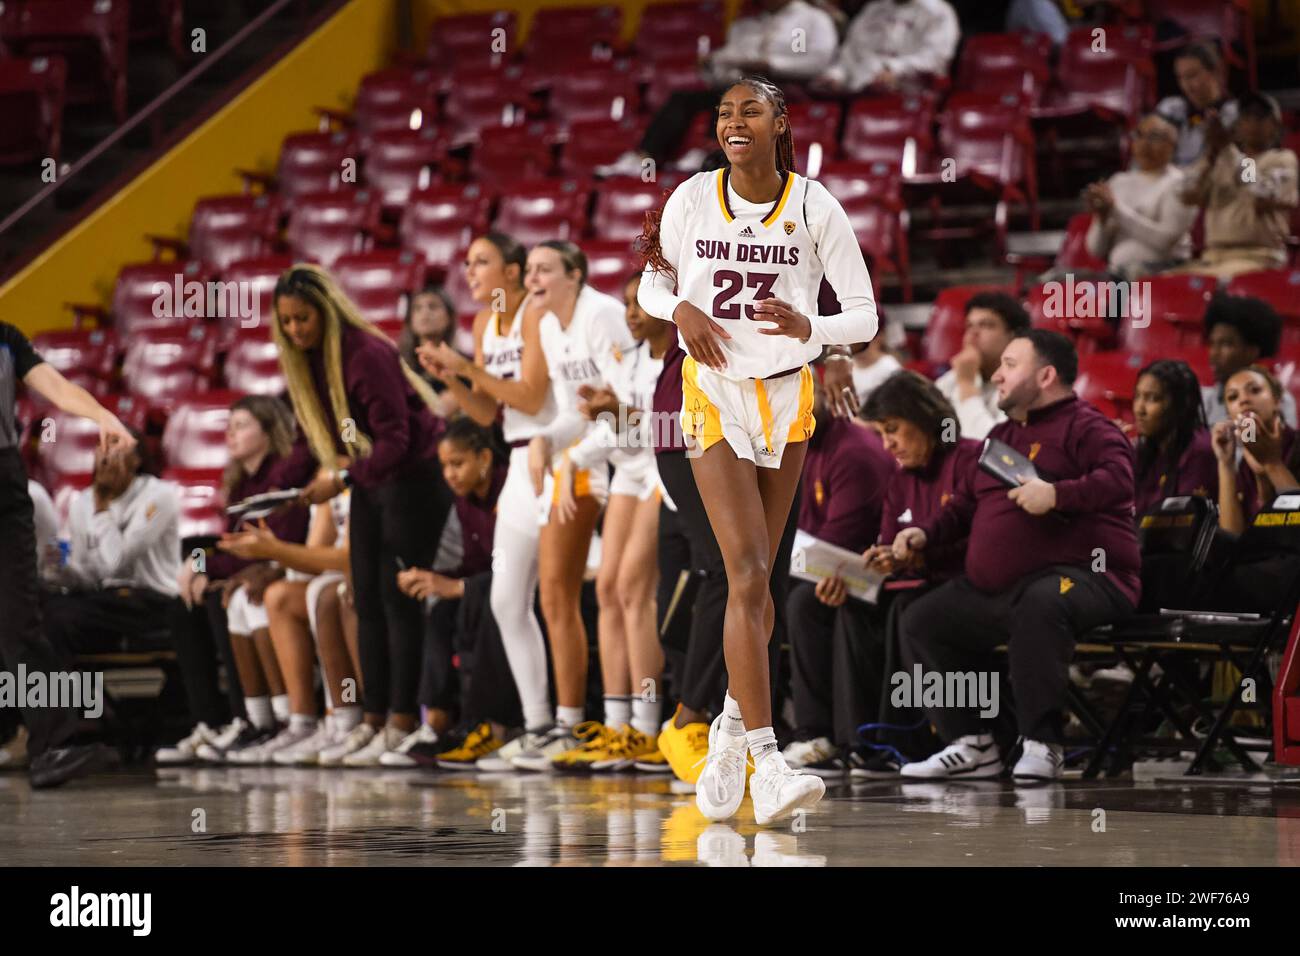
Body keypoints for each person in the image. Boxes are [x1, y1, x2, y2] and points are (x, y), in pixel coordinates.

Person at [638, 74, 878, 825]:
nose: (733, 122)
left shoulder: (813, 206)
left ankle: (730, 730)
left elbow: (865, 318)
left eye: (751, 111)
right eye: (723, 113)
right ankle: (768, 762)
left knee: (763, 585)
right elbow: (650, 284)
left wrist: (812, 327)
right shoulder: (690, 198)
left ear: (780, 124)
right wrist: (681, 307)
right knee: (743, 573)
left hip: (785, 394)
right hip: (712, 395)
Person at [892, 330, 1139, 783]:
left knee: (1041, 603)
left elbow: (1120, 482)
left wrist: (1059, 495)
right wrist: (924, 533)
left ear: (1046, 375)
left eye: (1009, 365)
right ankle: (973, 743)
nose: (997, 375)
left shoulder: (1089, 427)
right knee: (923, 618)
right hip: (1005, 587)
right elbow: (966, 504)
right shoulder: (1001, 435)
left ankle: (1044, 744)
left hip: (1089, 577)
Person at [273, 263, 454, 767]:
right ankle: (373, 719)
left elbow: (395, 440)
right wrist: (275, 493)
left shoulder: (365, 354)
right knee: (365, 600)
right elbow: (313, 443)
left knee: (398, 604)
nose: (295, 330)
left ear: (325, 312)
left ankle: (402, 720)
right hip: (372, 485)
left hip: (413, 483)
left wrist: (344, 478)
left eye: (302, 319)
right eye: (286, 322)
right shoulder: (307, 362)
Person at [416, 233, 559, 771]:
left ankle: (566, 724)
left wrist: (468, 370)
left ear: (515, 271)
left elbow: (531, 397)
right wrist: (453, 374)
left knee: (558, 599)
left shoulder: (535, 314)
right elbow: (485, 414)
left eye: (482, 262)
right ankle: (538, 723)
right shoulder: (482, 325)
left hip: (558, 452)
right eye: (467, 262)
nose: (471, 272)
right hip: (520, 459)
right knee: (505, 600)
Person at [511, 241, 635, 771]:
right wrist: (544, 441)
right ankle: (575, 723)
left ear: (575, 275)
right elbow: (573, 413)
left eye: (544, 270)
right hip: (580, 462)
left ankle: (573, 725)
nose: (532, 279)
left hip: (624, 461)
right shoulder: (544, 325)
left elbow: (628, 406)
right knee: (559, 597)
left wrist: (572, 459)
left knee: (563, 594)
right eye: (530, 270)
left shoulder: (604, 315)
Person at [549, 272, 676, 772]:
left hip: (665, 473)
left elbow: (668, 432)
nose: (631, 313)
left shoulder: (681, 360)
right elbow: (622, 437)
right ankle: (617, 723)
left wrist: (617, 412)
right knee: (605, 590)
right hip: (630, 470)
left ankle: (647, 728)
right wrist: (576, 458)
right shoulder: (629, 360)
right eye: (627, 303)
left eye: (640, 303)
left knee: (632, 589)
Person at [0, 320, 135, 787]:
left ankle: (52, 746)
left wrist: (102, 416)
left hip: (5, 482)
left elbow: (52, 383)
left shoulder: (6, 337)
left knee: (21, 622)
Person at [159, 395, 313, 765]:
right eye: (228, 426)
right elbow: (220, 544)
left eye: (241, 425)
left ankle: (251, 717)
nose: (230, 434)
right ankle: (210, 723)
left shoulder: (282, 475)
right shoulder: (240, 482)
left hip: (283, 569)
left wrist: (206, 569)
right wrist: (197, 564)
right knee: (182, 606)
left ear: (269, 429)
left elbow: (261, 550)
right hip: (244, 567)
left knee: (221, 599)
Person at [781, 376, 896, 770]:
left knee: (799, 603)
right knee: (736, 593)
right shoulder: (798, 445)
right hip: (823, 566)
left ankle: (817, 734)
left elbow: (838, 543)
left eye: (804, 388)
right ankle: (752, 728)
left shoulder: (853, 453)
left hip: (870, 576)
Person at [595, 0, 839, 177]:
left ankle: (709, 152)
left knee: (736, 95)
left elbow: (817, 62)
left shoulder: (813, 18)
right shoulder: (749, 24)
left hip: (792, 88)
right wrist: (713, 64)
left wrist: (771, 65)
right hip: (742, 84)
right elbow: (730, 61)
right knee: (685, 98)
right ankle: (643, 157)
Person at [214, 488, 361, 766]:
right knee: (266, 597)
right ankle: (286, 722)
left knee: (323, 594)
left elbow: (347, 558)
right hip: (330, 576)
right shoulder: (321, 484)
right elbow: (312, 557)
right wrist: (203, 565)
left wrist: (274, 553)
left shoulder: (350, 480)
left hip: (366, 575)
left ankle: (347, 717)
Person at [392, 416, 508, 766]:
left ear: (485, 459)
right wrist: (428, 578)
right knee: (441, 608)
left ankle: (491, 724)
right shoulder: (464, 501)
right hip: (486, 586)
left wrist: (460, 586)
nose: (450, 475)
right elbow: (468, 562)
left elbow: (514, 568)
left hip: (521, 586)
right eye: (445, 466)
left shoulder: (509, 489)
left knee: (486, 603)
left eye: (458, 464)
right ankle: (438, 723)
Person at [42, 431, 180, 659]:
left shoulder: (159, 496)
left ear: (137, 459)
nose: (106, 454)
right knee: (43, 610)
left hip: (152, 600)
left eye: (115, 446)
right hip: (103, 601)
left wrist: (102, 508)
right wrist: (58, 568)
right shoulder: (82, 503)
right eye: (101, 447)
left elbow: (116, 562)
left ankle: (70, 692)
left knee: (61, 618)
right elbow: (87, 577)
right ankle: (74, 691)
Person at [1175, 91, 1298, 280]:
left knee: (1212, 288)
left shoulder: (1282, 159)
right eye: (1246, 116)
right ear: (1238, 125)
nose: (1252, 122)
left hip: (1259, 258)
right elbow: (1184, 194)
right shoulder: (1220, 160)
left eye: (1260, 116)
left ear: (1275, 125)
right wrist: (1210, 156)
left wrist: (1229, 151)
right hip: (1212, 257)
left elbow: (1260, 194)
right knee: (1158, 286)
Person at [1083, 114, 1197, 278]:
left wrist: (1115, 211)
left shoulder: (1180, 183)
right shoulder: (1118, 182)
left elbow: (1166, 241)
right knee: (1057, 282)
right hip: (1118, 274)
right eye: (1139, 135)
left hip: (1165, 274)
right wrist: (1102, 220)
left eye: (1154, 137)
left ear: (1172, 145)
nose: (1144, 144)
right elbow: (1096, 250)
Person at [1212, 365, 1300, 534]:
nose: (1243, 400)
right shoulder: (1243, 463)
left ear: (1277, 401)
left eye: (1254, 390)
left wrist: (1272, 465)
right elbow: (1232, 537)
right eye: (1233, 397)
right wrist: (1226, 465)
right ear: (1230, 415)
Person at [935, 291, 1032, 440]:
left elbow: (993, 450)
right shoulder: (960, 374)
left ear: (1014, 337)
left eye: (986, 325)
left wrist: (967, 385)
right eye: (969, 325)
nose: (973, 333)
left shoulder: (1026, 387)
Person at [815, 0, 960, 94]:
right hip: (858, 92)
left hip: (910, 94)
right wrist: (836, 74)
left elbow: (936, 59)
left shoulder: (939, 12)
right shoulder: (873, 10)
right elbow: (849, 54)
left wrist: (893, 68)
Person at [1132, 359, 1218, 516]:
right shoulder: (1144, 449)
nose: (1139, 409)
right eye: (1137, 396)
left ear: (1181, 404)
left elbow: (1183, 526)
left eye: (1153, 398)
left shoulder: (1200, 452)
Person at [1201, 294, 1297, 427]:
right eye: (1212, 343)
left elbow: (1251, 443)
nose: (1214, 353)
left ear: (1252, 351)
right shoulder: (1203, 399)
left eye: (1226, 344)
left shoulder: (1277, 401)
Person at [1155, 42, 1239, 168]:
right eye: (1180, 78)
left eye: (1192, 75)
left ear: (1215, 72)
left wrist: (1224, 144)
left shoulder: (1236, 112)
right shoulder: (1170, 108)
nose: (1186, 86)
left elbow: (1248, 169)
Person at [398, 283, 460, 417]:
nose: (425, 313)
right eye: (417, 308)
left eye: (433, 306)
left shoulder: (463, 364)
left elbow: (442, 411)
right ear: (410, 320)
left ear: (449, 317)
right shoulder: (399, 365)